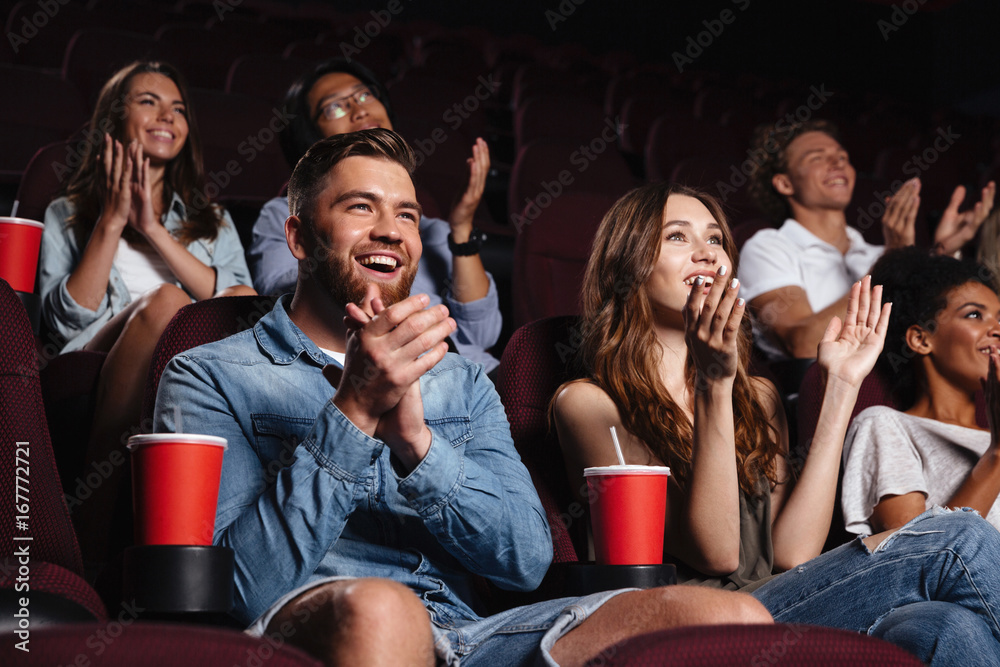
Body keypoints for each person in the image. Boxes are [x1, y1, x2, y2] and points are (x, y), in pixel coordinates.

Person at [153, 130, 771, 667]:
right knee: (384, 609)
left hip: (470, 637)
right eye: (361, 207)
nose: (390, 232)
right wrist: (355, 412)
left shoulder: (461, 380)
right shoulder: (210, 374)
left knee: (730, 616)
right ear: (298, 236)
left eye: (406, 216)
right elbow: (236, 588)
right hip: (314, 630)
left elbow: (525, 562)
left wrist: (421, 450)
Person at [552, 181, 1000, 665]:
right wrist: (713, 384)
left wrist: (842, 387)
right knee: (960, 538)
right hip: (699, 618)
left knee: (945, 625)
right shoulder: (588, 404)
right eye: (677, 237)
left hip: (781, 600)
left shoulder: (758, 396)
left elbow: (793, 554)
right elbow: (717, 554)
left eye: (715, 240)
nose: (705, 253)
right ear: (628, 264)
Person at [38, 60, 255, 559]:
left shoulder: (211, 221)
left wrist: (154, 228)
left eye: (178, 108)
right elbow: (63, 322)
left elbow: (244, 306)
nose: (168, 116)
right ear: (115, 118)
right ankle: (86, 537)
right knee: (167, 301)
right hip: (99, 356)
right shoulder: (67, 215)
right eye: (149, 101)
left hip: (195, 360)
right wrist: (112, 221)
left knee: (239, 300)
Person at [249, 59, 502, 372]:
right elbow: (284, 294)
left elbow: (482, 332)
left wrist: (461, 228)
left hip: (474, 371)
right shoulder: (282, 213)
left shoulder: (433, 231)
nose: (360, 110)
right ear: (309, 135)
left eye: (365, 95)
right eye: (335, 107)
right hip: (378, 365)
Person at [740, 119, 995, 361]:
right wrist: (891, 263)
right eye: (817, 157)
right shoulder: (767, 247)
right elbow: (804, 344)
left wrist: (943, 254)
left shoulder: (877, 254)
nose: (837, 163)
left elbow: (930, 334)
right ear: (784, 183)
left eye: (842, 157)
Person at [842, 246, 1000, 534]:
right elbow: (917, 556)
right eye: (975, 315)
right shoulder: (884, 425)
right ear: (920, 339)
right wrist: (997, 455)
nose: (997, 329)